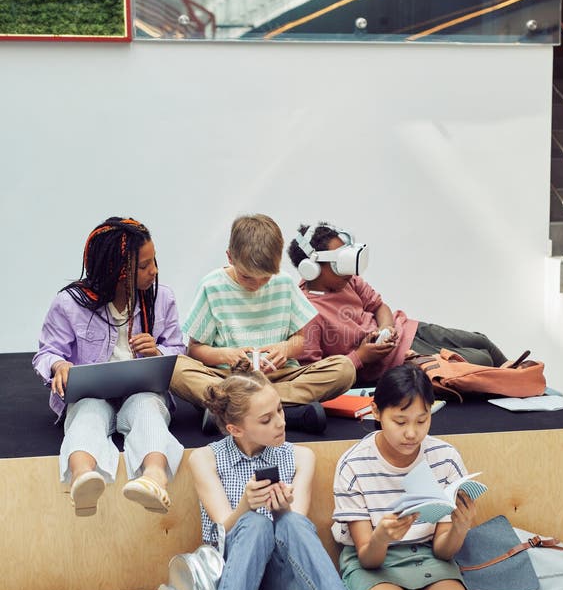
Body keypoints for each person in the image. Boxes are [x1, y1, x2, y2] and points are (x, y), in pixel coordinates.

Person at [179, 370, 412, 590]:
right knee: (254, 523)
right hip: (230, 585)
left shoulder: (300, 457)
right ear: (235, 429)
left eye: (280, 411)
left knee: (287, 521)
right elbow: (222, 531)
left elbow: (297, 527)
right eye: (266, 418)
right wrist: (246, 505)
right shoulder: (205, 459)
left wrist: (282, 507)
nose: (280, 423)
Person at [332, 364, 536, 590]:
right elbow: (367, 557)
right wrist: (382, 535)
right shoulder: (354, 465)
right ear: (376, 413)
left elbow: (443, 550)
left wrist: (458, 527)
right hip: (373, 561)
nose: (412, 433)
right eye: (400, 421)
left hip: (427, 554)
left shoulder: (444, 458)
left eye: (422, 420)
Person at [33, 216, 185, 516]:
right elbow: (46, 353)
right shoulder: (69, 303)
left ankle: (154, 478)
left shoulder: (161, 298)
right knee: (87, 414)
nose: (153, 271)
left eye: (154, 262)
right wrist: (59, 365)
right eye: (144, 266)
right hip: (91, 394)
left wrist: (158, 350)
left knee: (147, 411)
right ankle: (82, 480)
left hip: (142, 392)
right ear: (116, 271)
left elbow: (177, 349)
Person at [170, 215, 355, 433]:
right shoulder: (212, 286)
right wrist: (226, 355)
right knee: (175, 369)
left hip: (278, 377)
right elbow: (195, 349)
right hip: (230, 379)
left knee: (344, 369)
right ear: (230, 257)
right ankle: (284, 411)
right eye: (248, 277)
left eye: (266, 278)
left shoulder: (284, 283)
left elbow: (299, 340)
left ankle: (230, 408)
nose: (257, 285)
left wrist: (284, 349)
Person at [287, 222, 512, 387]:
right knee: (481, 359)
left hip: (406, 329)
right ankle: (508, 383)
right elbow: (314, 375)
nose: (349, 270)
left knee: (480, 340)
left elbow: (379, 307)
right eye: (338, 264)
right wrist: (361, 356)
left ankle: (518, 382)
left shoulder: (349, 280)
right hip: (398, 359)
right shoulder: (307, 313)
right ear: (311, 269)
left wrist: (386, 328)